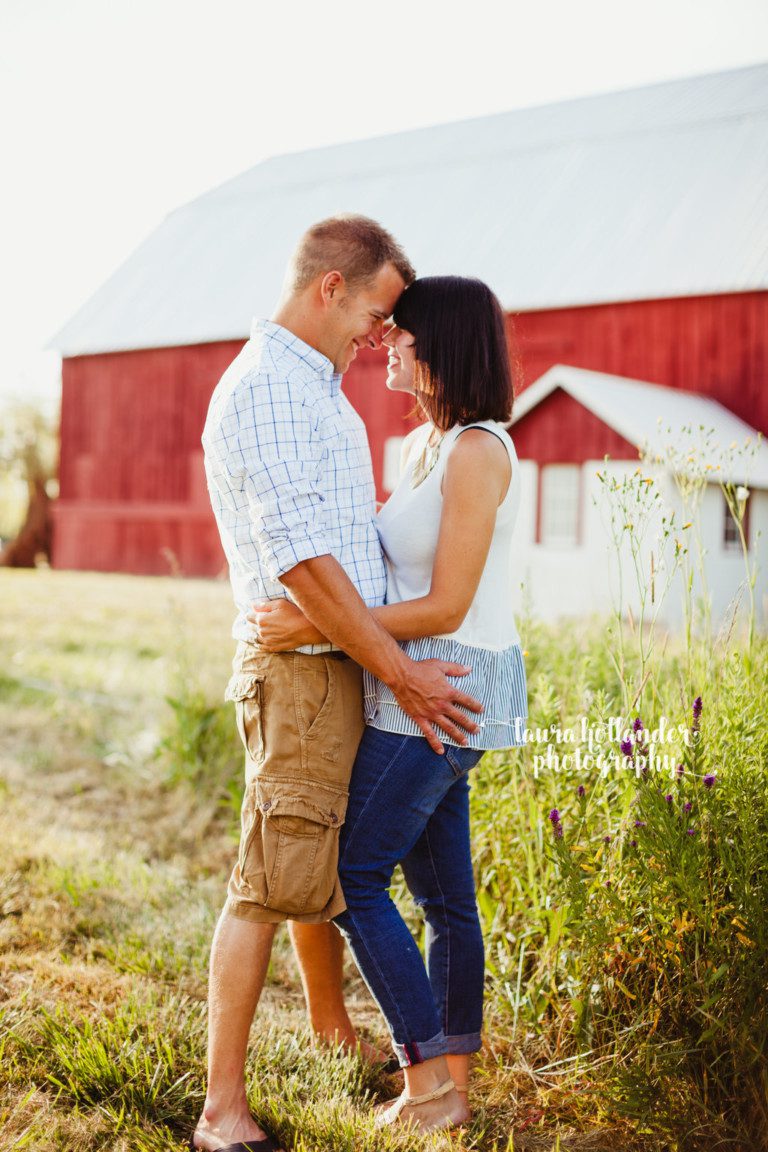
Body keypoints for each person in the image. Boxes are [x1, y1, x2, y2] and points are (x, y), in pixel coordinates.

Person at [197, 221, 483, 1152]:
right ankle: (221, 1114)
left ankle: (333, 1030)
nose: (380, 332)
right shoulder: (272, 389)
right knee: (264, 881)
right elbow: (309, 563)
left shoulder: (315, 387)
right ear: (330, 287)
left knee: (313, 864)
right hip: (305, 674)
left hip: (337, 666)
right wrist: (399, 670)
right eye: (375, 310)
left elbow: (341, 539)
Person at [252, 275, 528, 1135]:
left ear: (443, 348)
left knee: (354, 877)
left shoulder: (480, 450)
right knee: (446, 900)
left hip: (447, 689)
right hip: (418, 686)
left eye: (402, 336)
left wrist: (316, 626)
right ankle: (455, 1090)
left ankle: (429, 1085)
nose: (388, 345)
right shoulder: (424, 449)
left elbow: (447, 605)